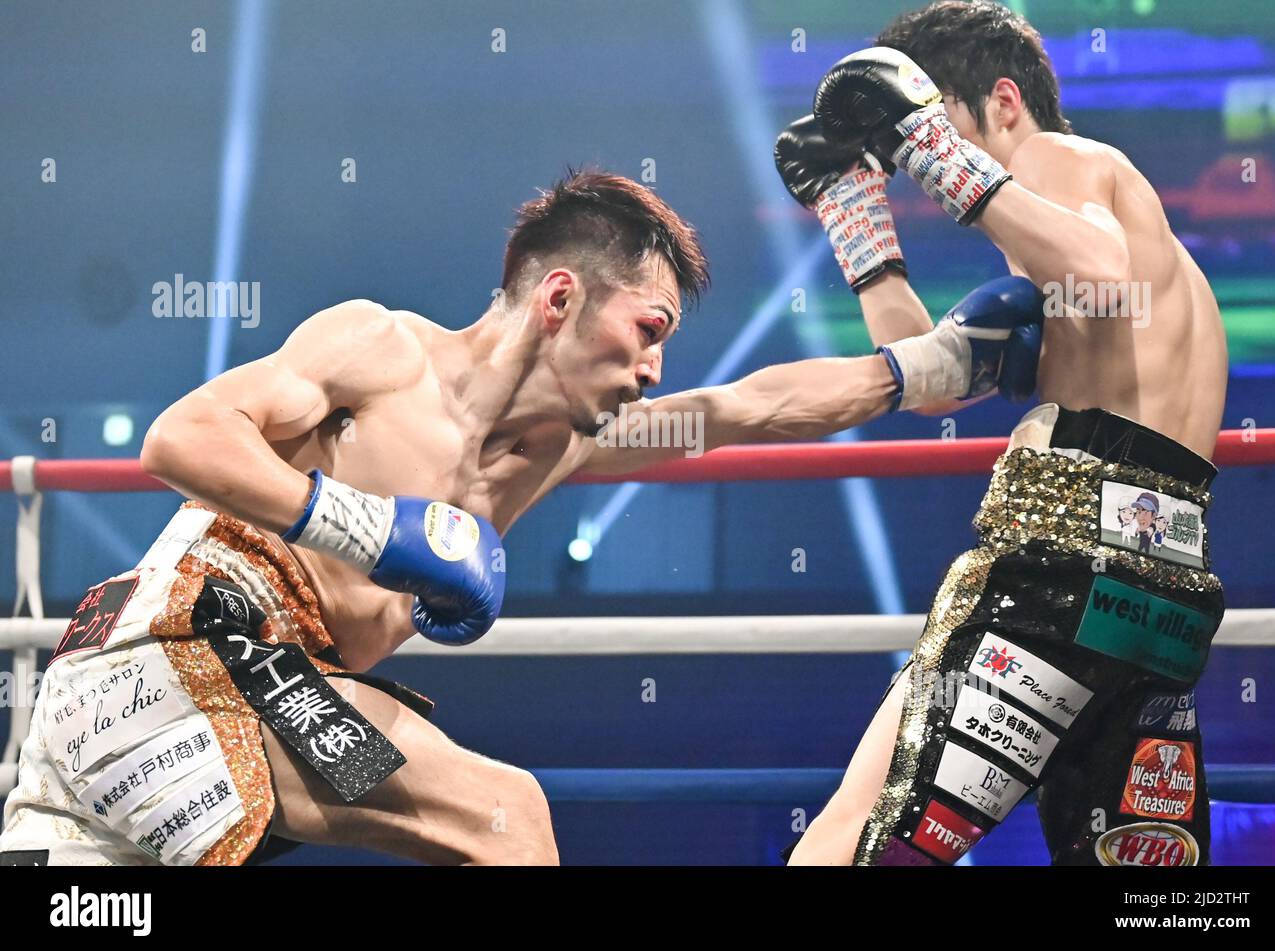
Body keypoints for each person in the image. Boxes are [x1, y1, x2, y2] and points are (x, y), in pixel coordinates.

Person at [0, 169, 1042, 866]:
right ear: (557, 300)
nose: (652, 369)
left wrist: (933, 367)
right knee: (511, 818)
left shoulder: (564, 445)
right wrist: (377, 530)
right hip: (182, 641)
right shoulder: (381, 350)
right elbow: (180, 441)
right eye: (646, 329)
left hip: (171, 712)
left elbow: (746, 408)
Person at [777, 0, 1226, 866]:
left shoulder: (1064, 159)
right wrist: (858, 222)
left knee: (860, 836)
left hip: (1053, 576)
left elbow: (1100, 268)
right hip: (1157, 607)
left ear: (1004, 101)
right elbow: (925, 375)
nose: (919, 164)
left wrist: (929, 142)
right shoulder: (1131, 266)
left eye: (929, 118)